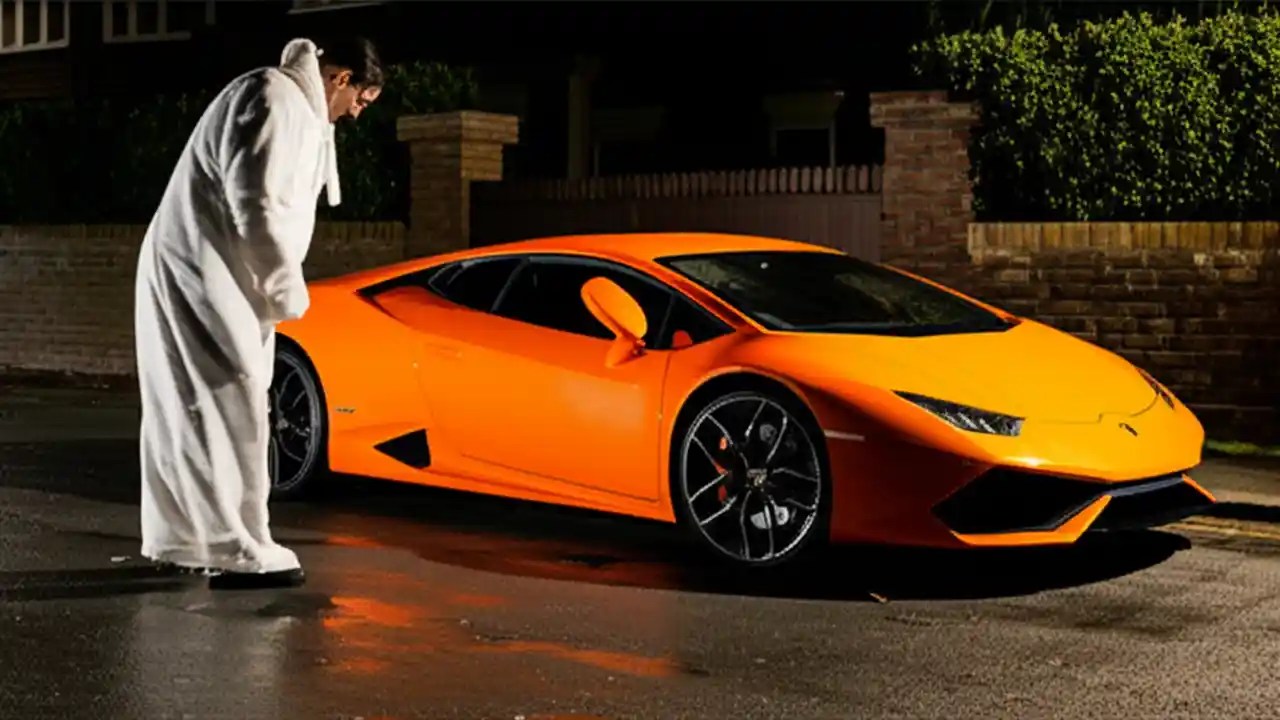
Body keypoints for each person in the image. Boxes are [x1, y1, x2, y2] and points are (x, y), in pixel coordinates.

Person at [133, 36, 384, 588]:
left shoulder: (282, 101)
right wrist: (285, 289)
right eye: (361, 100)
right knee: (230, 400)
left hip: (213, 269)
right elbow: (258, 203)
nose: (357, 114)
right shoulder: (274, 99)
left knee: (194, 403)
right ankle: (233, 543)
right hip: (205, 270)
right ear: (341, 79)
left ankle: (184, 535)